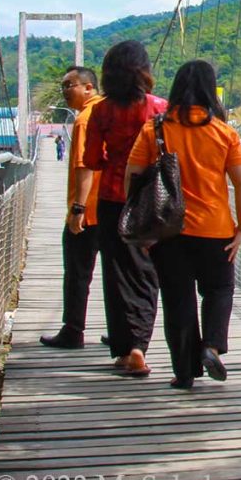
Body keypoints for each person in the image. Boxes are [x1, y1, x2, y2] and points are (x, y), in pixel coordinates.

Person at [127, 60, 241, 389]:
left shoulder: (156, 129)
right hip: (216, 228)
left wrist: (143, 227)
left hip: (169, 230)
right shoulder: (225, 133)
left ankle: (184, 373)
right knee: (219, 289)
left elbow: (135, 175)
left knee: (177, 298)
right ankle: (211, 345)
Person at [77, 40, 166, 377]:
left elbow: (90, 160)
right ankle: (139, 347)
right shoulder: (161, 108)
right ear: (144, 70)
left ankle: (124, 349)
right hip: (151, 201)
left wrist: (115, 159)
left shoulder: (100, 110)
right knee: (146, 272)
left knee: (116, 275)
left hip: (113, 199)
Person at [41, 66, 101, 349]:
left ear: (89, 87)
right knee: (120, 274)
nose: (65, 91)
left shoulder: (85, 119)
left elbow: (83, 165)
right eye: (63, 85)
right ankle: (123, 334)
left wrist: (78, 209)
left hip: (89, 211)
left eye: (70, 85)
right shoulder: (112, 112)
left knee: (77, 272)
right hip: (116, 206)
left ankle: (73, 330)